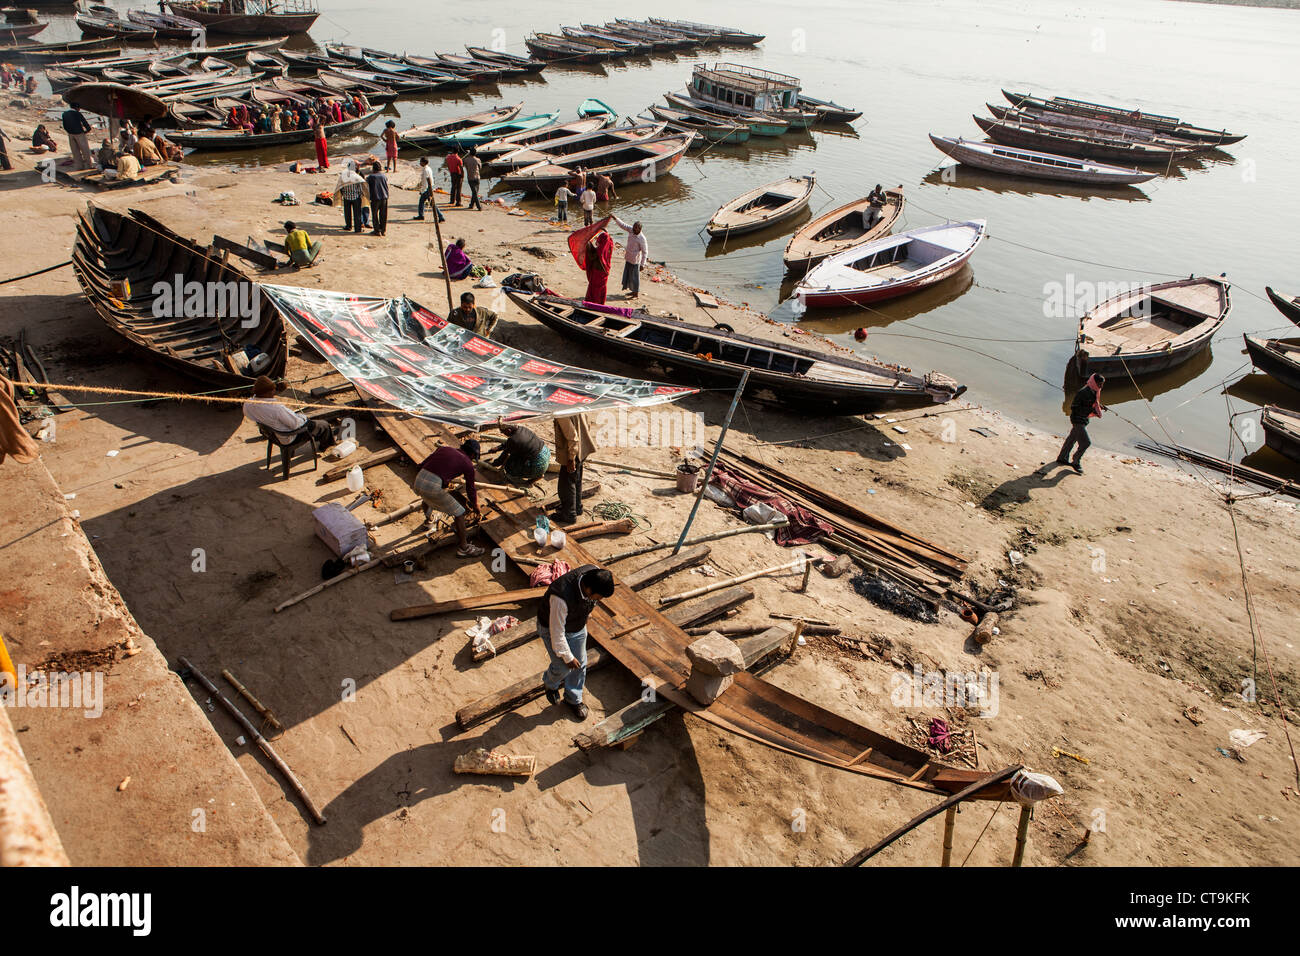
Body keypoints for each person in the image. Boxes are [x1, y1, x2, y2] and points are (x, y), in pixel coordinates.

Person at [537, 564, 615, 720]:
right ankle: (550, 683)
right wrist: (568, 657)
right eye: (598, 597)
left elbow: (591, 601)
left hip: (576, 626)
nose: (598, 601)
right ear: (588, 590)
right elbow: (557, 634)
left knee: (580, 663)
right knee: (563, 667)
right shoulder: (561, 598)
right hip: (551, 629)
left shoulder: (593, 571)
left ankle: (573, 699)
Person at [411, 441, 485, 557]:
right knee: (460, 513)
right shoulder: (468, 464)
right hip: (432, 486)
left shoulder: (444, 449)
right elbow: (470, 489)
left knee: (426, 498)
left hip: (419, 479)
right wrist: (475, 506)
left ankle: (429, 522)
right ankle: (464, 548)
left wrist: (442, 478)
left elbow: (421, 465)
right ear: (471, 454)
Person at [243, 376, 337, 448]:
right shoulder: (275, 408)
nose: (274, 393)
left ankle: (320, 436)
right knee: (323, 425)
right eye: (272, 391)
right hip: (287, 437)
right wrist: (303, 418)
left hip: (271, 434)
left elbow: (249, 416)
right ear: (266, 393)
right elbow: (295, 424)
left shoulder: (248, 404)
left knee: (310, 422)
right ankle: (326, 445)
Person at [1057, 373, 1105, 474]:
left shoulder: (1094, 391)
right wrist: (1092, 409)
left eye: (1102, 384)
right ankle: (1076, 461)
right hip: (1078, 420)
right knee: (1086, 443)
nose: (1101, 386)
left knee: (1072, 439)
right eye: (1099, 384)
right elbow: (1074, 407)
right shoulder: (1083, 392)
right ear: (1094, 382)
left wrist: (1099, 407)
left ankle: (1062, 458)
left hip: (1084, 420)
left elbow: (1093, 403)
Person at [553, 410, 595, 524]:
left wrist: (571, 458)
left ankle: (569, 515)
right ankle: (577, 508)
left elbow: (572, 437)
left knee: (566, 485)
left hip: (573, 452)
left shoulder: (561, 412)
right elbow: (587, 422)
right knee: (576, 480)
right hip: (582, 448)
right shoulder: (574, 404)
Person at [610, 215, 648, 298]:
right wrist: (616, 218)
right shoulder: (631, 230)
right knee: (629, 276)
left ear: (640, 229)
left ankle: (636, 293)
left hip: (635, 261)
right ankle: (632, 291)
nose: (634, 229)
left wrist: (642, 264)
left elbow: (645, 252)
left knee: (635, 278)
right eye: (634, 227)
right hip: (628, 258)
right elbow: (623, 225)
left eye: (636, 228)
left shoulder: (642, 238)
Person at [583, 229, 613, 305]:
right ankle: (600, 303)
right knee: (600, 289)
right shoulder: (608, 245)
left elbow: (592, 256)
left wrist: (588, 244)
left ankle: (593, 303)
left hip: (598, 272)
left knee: (595, 288)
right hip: (604, 271)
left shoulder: (601, 251)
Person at [334, 161, 365, 233]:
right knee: (357, 214)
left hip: (346, 197)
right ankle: (358, 229)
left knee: (347, 213)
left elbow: (340, 187)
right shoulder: (357, 177)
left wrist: (343, 194)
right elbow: (360, 188)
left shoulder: (343, 177)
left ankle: (348, 226)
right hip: (356, 197)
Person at [61, 104, 93, 171]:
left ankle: (79, 166)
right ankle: (89, 165)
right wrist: (87, 130)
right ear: (77, 108)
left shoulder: (64, 114)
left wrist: (69, 131)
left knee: (75, 151)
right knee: (85, 150)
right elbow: (84, 122)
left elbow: (65, 125)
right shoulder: (77, 113)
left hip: (70, 134)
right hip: (79, 133)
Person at [414, 156, 443, 222]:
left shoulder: (425, 170)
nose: (420, 163)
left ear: (423, 162)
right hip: (429, 187)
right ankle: (421, 215)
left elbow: (425, 182)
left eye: (420, 161)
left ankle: (440, 216)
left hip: (427, 189)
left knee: (431, 203)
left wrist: (422, 190)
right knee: (425, 202)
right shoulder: (428, 168)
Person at [366, 161, 389, 236]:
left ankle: (377, 230)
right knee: (383, 215)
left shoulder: (371, 177)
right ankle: (383, 230)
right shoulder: (384, 176)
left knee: (375, 215)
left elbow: (367, 187)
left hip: (375, 198)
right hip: (384, 197)